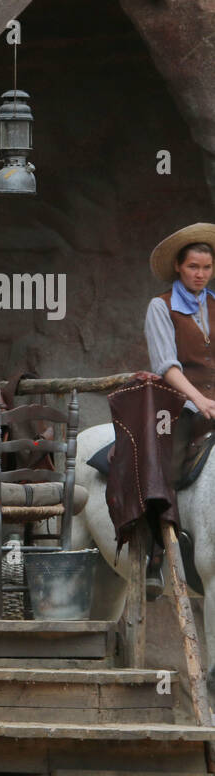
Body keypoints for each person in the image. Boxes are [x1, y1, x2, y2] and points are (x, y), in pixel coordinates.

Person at [142, 223, 215, 596]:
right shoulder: (161, 306)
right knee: (163, 469)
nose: (200, 274)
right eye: (193, 267)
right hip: (181, 403)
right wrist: (199, 401)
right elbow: (166, 366)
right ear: (179, 268)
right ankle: (156, 554)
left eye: (206, 267)